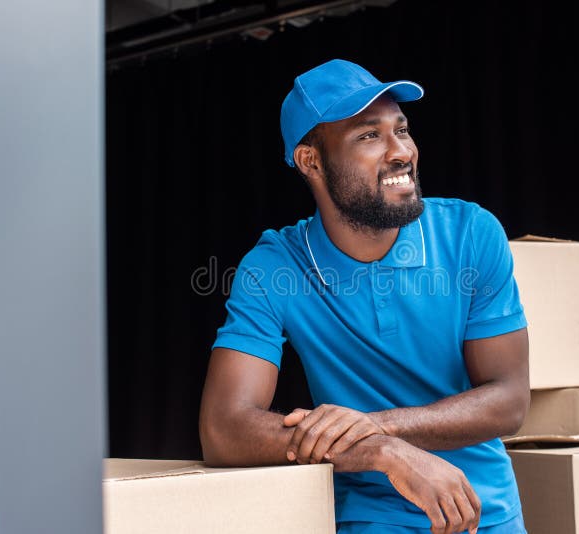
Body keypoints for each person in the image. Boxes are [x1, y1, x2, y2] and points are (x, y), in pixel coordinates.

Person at [199, 58, 530, 534]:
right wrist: (379, 451)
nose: (401, 152)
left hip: (483, 514)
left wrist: (380, 426)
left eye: (403, 129)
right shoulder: (274, 267)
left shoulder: (471, 233)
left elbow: (510, 400)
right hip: (366, 520)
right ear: (310, 160)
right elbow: (222, 429)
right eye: (369, 136)